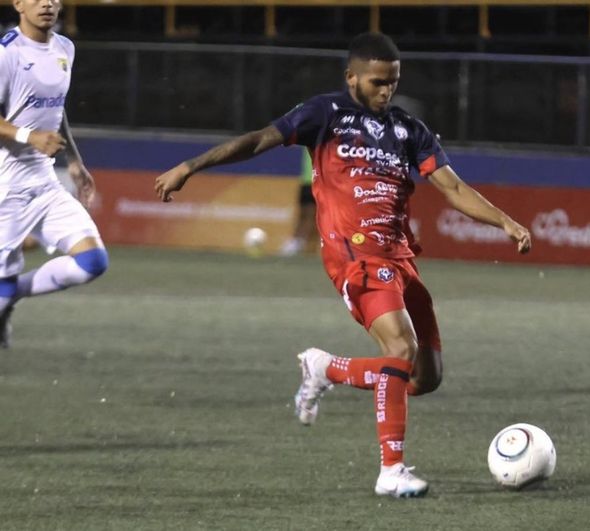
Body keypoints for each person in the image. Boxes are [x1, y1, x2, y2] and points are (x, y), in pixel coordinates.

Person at [154, 32, 531, 497]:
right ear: (351, 77)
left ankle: (327, 368)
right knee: (400, 350)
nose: (386, 90)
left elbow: (452, 188)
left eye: (392, 82)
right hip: (354, 255)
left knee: (425, 377)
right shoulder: (324, 114)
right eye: (376, 82)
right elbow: (259, 140)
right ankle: (391, 471)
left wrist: (505, 222)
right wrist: (191, 166)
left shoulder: (408, 130)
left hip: (400, 257)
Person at [0, 0, 109, 348]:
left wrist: (74, 161)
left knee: (93, 262)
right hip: (5, 186)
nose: (45, 4)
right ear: (18, 4)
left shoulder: (65, 48)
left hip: (44, 181)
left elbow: (55, 109)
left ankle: (9, 295)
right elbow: (27, 127)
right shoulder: (7, 53)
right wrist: (28, 136)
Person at [279, 148, 318, 257]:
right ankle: (296, 245)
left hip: (312, 180)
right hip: (310, 181)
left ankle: (299, 245)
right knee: (307, 216)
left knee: (310, 216)